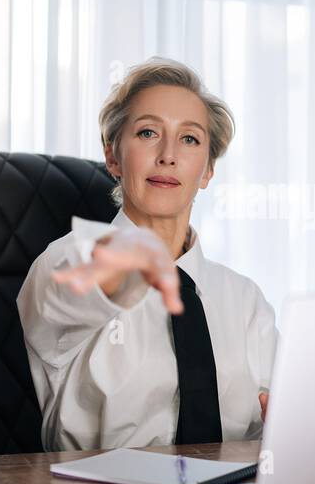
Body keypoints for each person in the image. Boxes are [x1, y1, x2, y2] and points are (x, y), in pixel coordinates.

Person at [17, 57, 279, 451]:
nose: (168, 155)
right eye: (147, 133)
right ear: (113, 158)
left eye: (189, 139)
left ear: (207, 171)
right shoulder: (63, 263)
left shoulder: (244, 300)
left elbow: (275, 421)